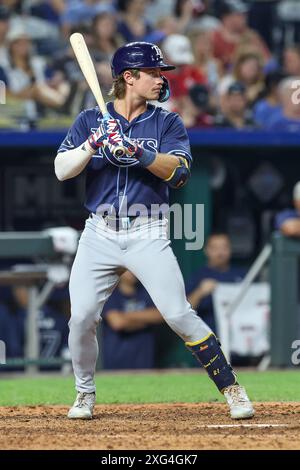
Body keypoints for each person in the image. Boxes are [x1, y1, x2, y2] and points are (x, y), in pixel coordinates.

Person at [54, 41, 254, 420]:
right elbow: (62, 170)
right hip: (99, 232)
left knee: (178, 313)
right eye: (153, 73)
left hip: (148, 229)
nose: (161, 80)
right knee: (80, 317)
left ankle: (232, 388)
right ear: (129, 78)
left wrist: (138, 153)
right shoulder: (88, 120)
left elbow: (179, 173)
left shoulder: (167, 122)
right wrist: (94, 142)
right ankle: (84, 393)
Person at [101, 270, 163, 370]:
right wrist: (146, 320)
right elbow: (118, 323)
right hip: (116, 362)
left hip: (145, 361)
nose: (133, 270)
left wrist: (126, 318)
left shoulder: (148, 291)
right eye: (128, 267)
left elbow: (161, 315)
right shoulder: (109, 293)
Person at [187, 232, 246, 334]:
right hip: (208, 337)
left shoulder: (243, 275)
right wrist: (200, 292)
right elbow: (184, 311)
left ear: (230, 249)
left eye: (224, 248)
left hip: (239, 335)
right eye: (215, 248)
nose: (220, 253)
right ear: (206, 250)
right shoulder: (198, 276)